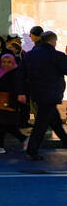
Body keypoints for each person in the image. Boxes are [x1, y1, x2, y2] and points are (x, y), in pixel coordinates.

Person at [22, 30, 67, 161]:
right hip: (52, 93)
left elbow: (21, 74)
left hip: (37, 92)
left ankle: (65, 141)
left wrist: (20, 92)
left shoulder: (30, 55)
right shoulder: (57, 55)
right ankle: (32, 150)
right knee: (41, 124)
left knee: (55, 122)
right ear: (53, 41)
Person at [0, 53, 27, 155]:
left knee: (3, 124)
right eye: (4, 62)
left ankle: (23, 139)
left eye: (9, 62)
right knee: (0, 124)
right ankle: (0, 146)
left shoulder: (15, 73)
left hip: (8, 101)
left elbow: (17, 87)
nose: (6, 64)